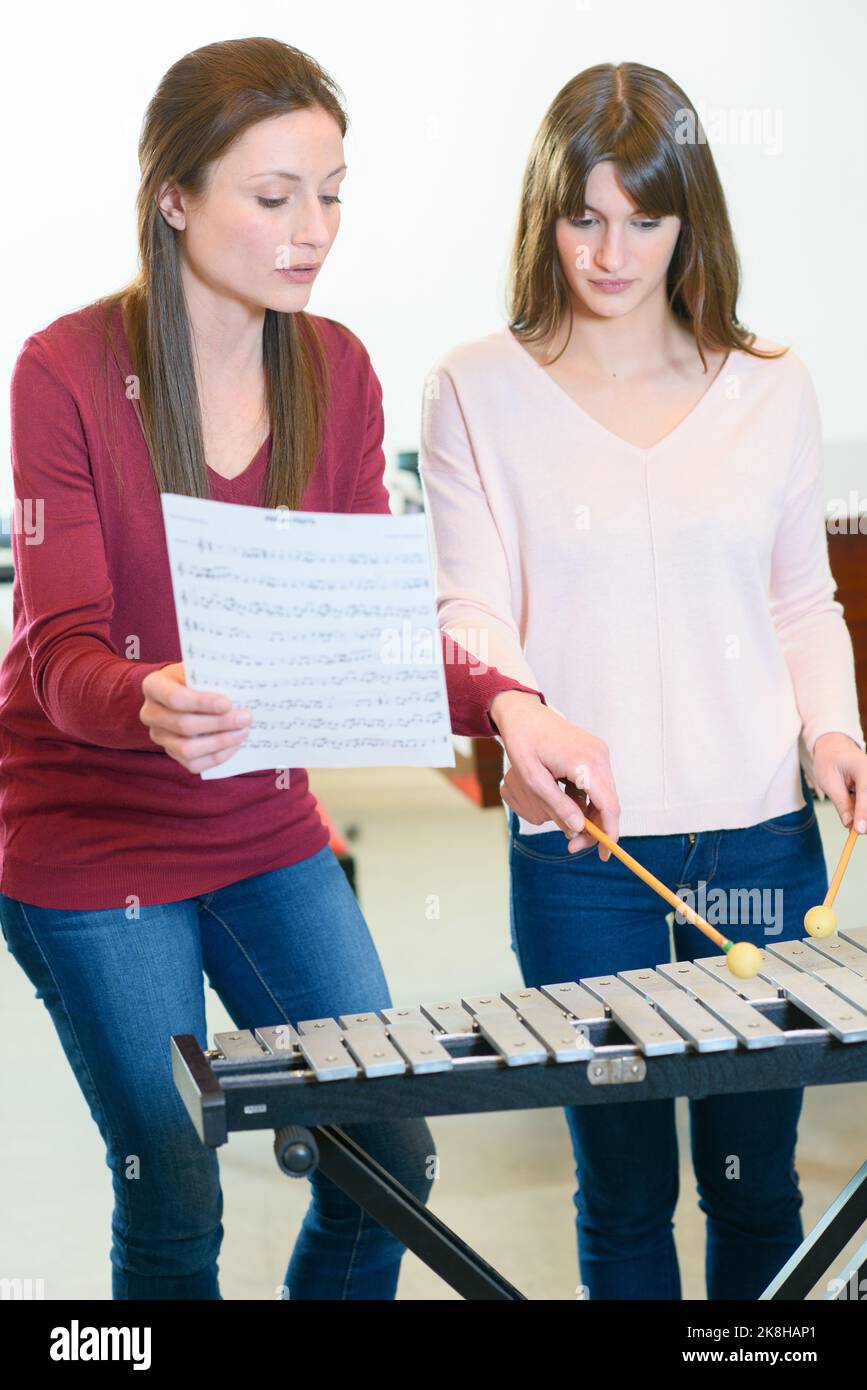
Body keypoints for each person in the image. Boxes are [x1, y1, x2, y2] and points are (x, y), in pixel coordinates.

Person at [0, 37, 619, 1301]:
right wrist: (144, 697)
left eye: (331, 192)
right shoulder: (63, 372)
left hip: (260, 821)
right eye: (273, 196)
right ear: (173, 195)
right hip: (85, 836)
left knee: (387, 1156)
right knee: (171, 1181)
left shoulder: (336, 371)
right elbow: (60, 657)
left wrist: (512, 705)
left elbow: (363, 628)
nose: (312, 230)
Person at [419, 61, 867, 1300]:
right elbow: (471, 605)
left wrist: (833, 729)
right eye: (584, 217)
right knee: (622, 1190)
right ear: (544, 213)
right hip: (585, 859)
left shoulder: (772, 386)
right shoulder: (474, 387)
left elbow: (800, 598)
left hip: (760, 841)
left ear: (691, 219)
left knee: (753, 1182)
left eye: (645, 219)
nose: (611, 253)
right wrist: (522, 710)